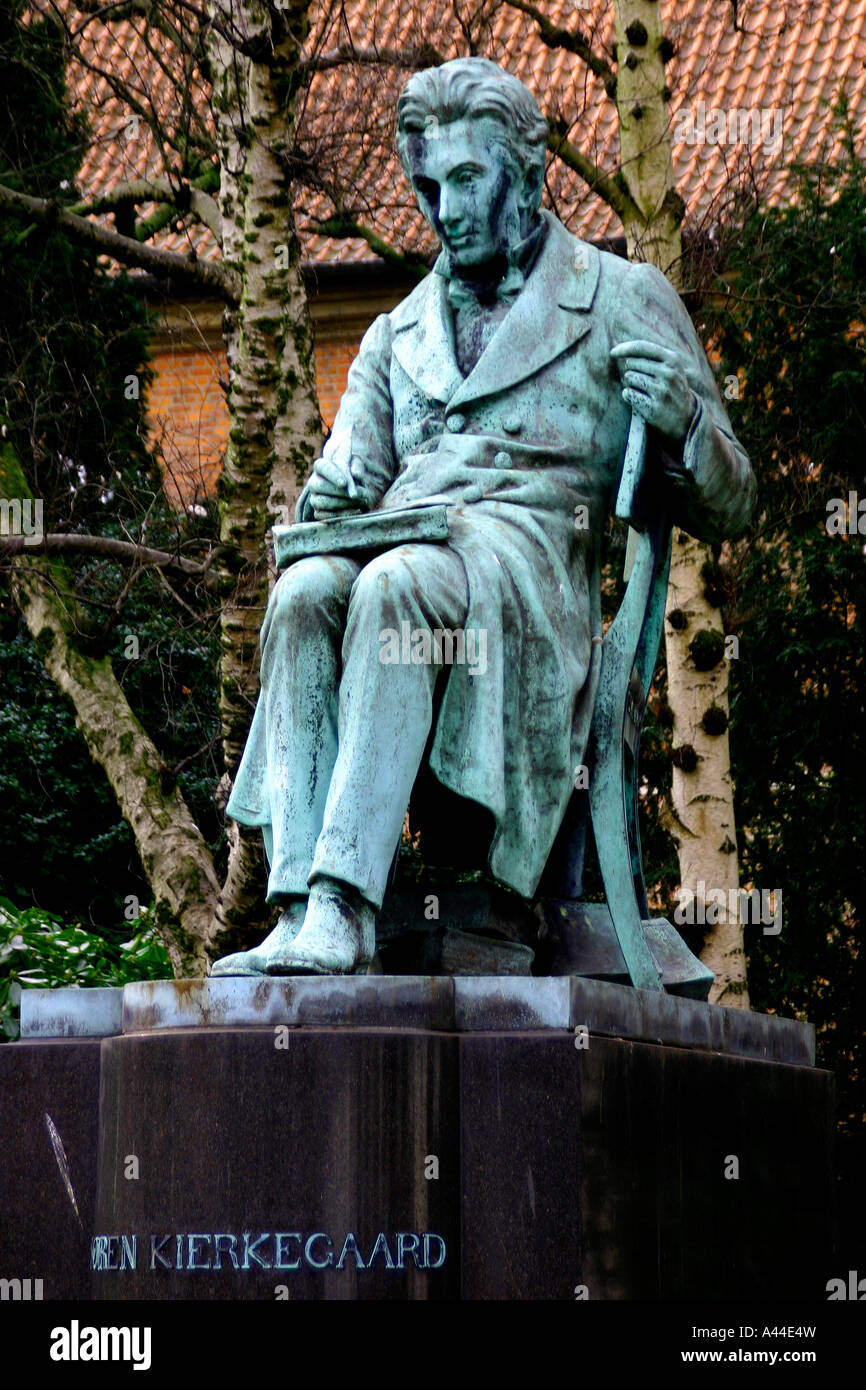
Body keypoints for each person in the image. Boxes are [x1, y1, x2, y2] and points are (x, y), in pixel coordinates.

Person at [212, 57, 754, 978]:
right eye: (429, 185)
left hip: (526, 584)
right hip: (412, 543)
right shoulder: (394, 335)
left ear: (529, 173)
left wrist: (689, 423)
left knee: (396, 585)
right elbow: (347, 474)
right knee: (305, 590)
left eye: (467, 179)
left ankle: (347, 903)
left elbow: (735, 499)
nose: (444, 207)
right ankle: (301, 900)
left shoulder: (619, 296)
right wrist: (330, 495)